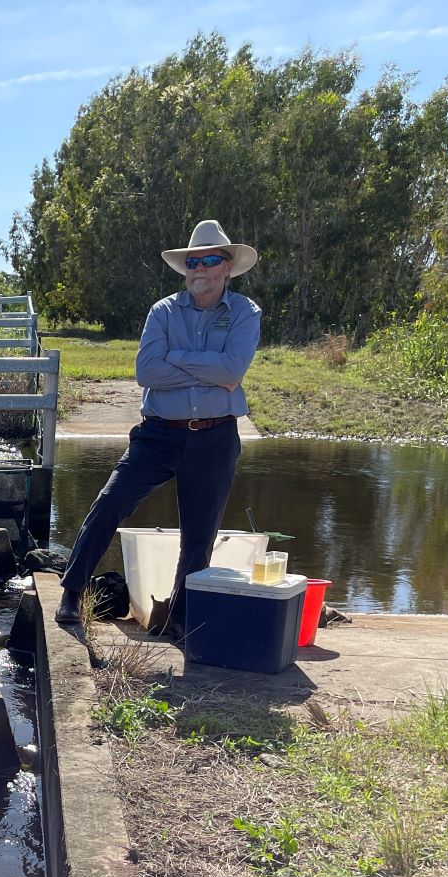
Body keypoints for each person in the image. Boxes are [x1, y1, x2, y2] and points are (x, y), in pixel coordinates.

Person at [54, 221, 262, 632]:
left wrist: (179, 358)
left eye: (208, 260)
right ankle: (72, 594)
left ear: (227, 268)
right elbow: (147, 371)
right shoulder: (164, 311)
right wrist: (209, 370)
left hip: (216, 437)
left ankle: (181, 622)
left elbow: (233, 369)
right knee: (110, 502)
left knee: (199, 540)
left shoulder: (244, 313)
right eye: (192, 262)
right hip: (158, 435)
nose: (199, 268)